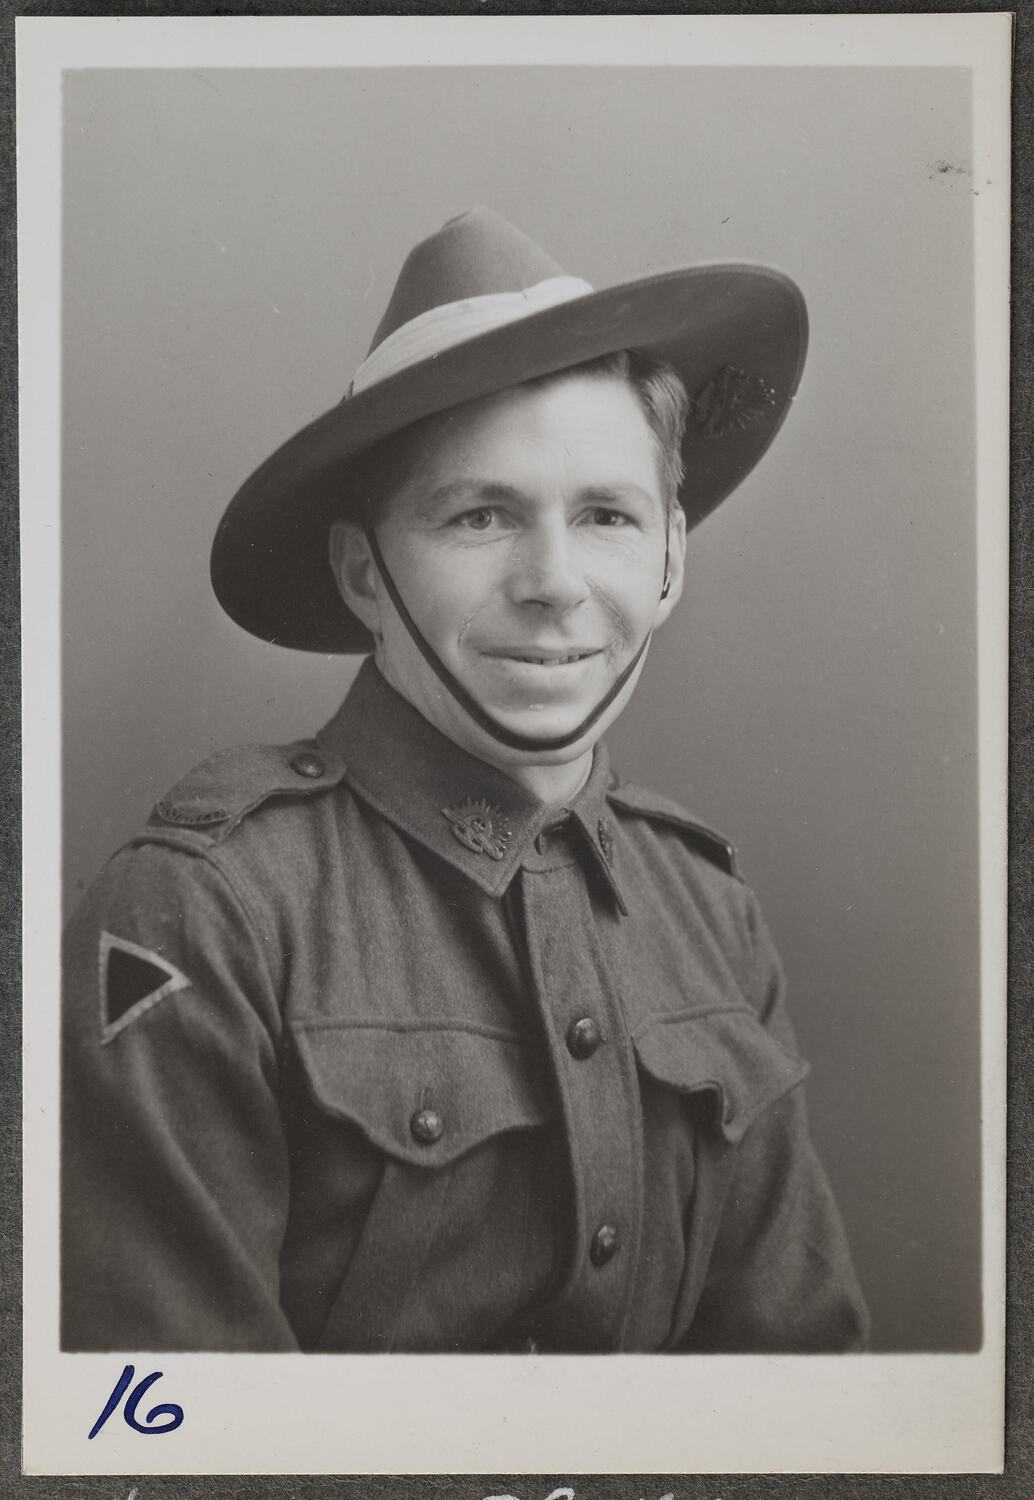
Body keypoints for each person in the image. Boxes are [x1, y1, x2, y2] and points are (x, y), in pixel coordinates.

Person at [62, 207, 869, 1353]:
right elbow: (169, 1440)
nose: (553, 582)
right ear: (364, 572)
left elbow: (807, 1400)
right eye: (481, 515)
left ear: (670, 557)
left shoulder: (705, 907)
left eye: (604, 515)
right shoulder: (206, 913)